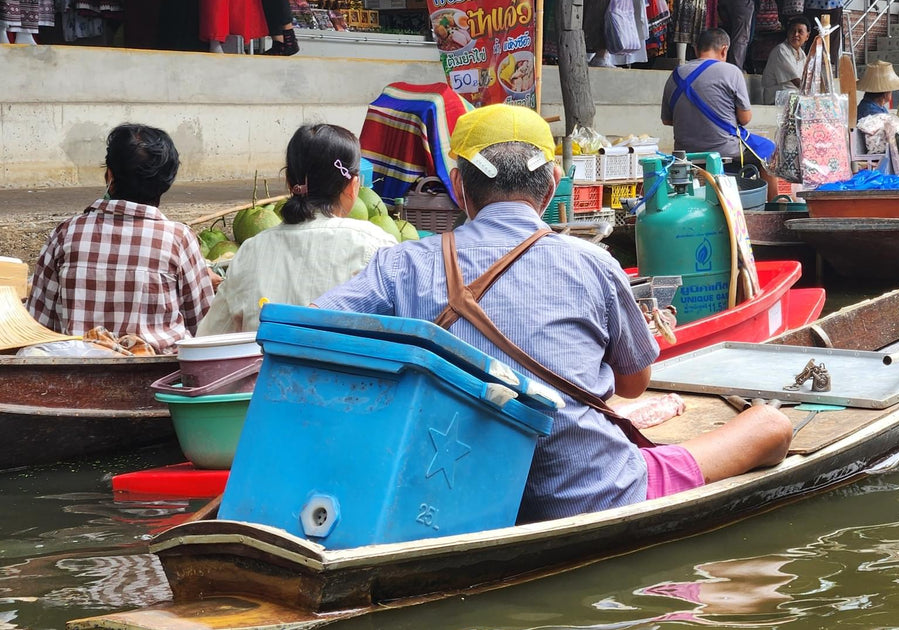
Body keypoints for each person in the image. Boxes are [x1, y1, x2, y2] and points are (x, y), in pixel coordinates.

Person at [314, 104, 792, 523]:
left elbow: (310, 330)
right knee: (771, 425)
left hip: (448, 493)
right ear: (553, 185)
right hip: (591, 494)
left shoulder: (400, 264)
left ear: (458, 185)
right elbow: (633, 384)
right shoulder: (593, 262)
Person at [27, 124, 214, 354]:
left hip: (78, 376)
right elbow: (206, 328)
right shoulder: (179, 240)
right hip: (160, 381)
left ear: (110, 175)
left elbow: (37, 326)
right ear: (166, 183)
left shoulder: (67, 233)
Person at [197, 124, 396, 336]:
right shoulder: (376, 245)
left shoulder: (250, 251)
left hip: (264, 369)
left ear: (289, 182)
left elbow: (209, 338)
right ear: (353, 186)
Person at [661, 28, 779, 199]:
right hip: (725, 149)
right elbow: (745, 119)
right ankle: (772, 207)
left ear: (695, 49)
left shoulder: (675, 74)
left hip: (685, 152)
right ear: (724, 49)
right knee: (770, 151)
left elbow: (667, 120)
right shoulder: (731, 72)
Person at [760, 17, 811, 105]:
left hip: (794, 95)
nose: (796, 34)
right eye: (792, 31)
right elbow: (797, 81)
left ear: (807, 36)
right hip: (777, 98)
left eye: (800, 31)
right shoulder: (781, 50)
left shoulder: (802, 54)